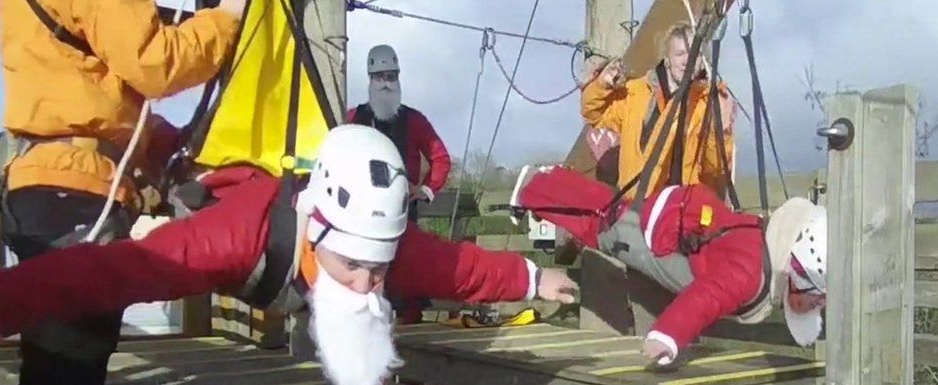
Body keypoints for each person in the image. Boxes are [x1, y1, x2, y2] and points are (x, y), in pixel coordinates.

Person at [0, 124, 578, 385]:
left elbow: (464, 270)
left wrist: (535, 277)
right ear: (317, 229)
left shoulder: (391, 250)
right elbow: (104, 273)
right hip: (221, 202)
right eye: (350, 266)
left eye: (378, 269)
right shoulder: (234, 236)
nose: (366, 285)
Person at [0, 0, 245, 385]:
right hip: (75, 198)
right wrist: (229, 17)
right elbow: (155, 62)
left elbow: (101, 96)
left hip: (47, 188)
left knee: (43, 384)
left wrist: (175, 156)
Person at [511, 165, 826, 367]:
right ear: (797, 272)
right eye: (814, 300)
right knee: (607, 228)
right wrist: (668, 336)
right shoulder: (748, 273)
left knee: (611, 216)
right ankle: (535, 187)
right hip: (666, 232)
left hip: (682, 222)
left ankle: (546, 182)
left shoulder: (763, 247)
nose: (814, 305)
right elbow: (704, 299)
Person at [581, 22, 737, 201]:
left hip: (679, 212)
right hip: (635, 207)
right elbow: (595, 115)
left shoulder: (708, 103)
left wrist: (721, 131)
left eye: (694, 54)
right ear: (667, 59)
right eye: (680, 54)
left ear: (702, 62)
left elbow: (715, 168)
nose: (687, 60)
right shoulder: (636, 92)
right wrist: (602, 85)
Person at [346, 44, 451, 216]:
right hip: (360, 210)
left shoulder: (414, 120)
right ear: (371, 79)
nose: (386, 83)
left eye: (391, 76)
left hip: (402, 212)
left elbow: (441, 158)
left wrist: (426, 189)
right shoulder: (353, 118)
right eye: (379, 77)